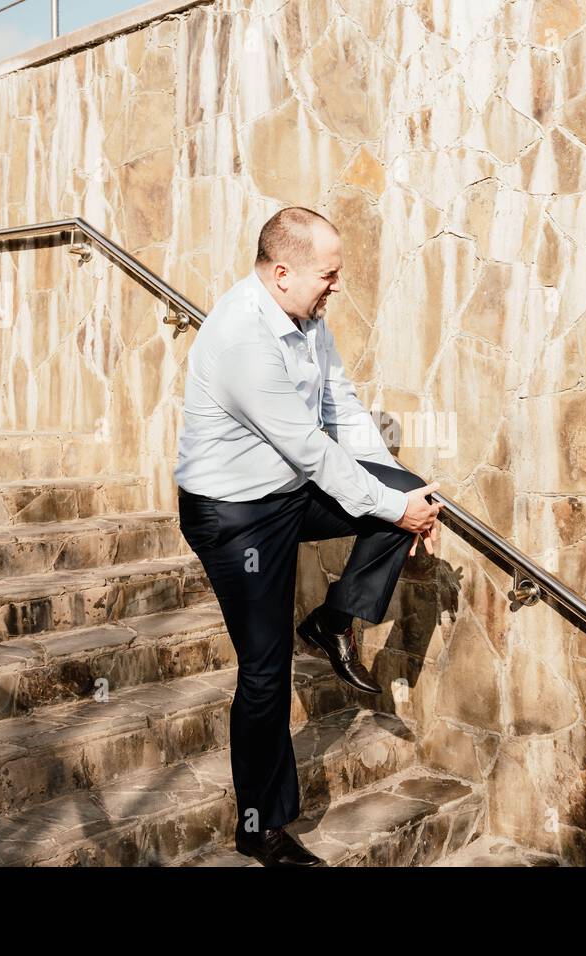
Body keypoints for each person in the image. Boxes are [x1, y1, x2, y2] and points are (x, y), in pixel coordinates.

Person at [174, 206, 443, 867]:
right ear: (282, 272)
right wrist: (396, 511)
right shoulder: (243, 338)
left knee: (406, 487)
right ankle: (259, 827)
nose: (337, 285)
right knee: (265, 671)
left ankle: (332, 619)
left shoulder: (307, 318)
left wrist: (401, 496)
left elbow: (340, 409)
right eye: (328, 273)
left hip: (289, 491)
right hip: (235, 518)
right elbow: (311, 450)